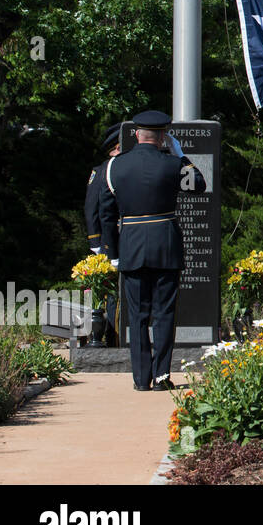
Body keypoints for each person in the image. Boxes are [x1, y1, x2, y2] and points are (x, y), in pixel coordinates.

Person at [99, 110, 206, 391]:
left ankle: (140, 378)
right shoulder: (172, 164)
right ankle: (161, 377)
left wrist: (112, 253)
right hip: (165, 245)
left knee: (138, 315)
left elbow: (106, 214)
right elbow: (198, 185)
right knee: (164, 313)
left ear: (136, 134)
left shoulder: (115, 167)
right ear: (163, 137)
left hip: (132, 245)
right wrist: (181, 156)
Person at [83, 123, 122, 347]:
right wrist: (96, 242)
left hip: (130, 236)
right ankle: (108, 334)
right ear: (114, 149)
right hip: (110, 239)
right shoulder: (100, 171)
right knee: (109, 292)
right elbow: (92, 208)